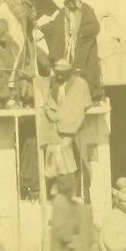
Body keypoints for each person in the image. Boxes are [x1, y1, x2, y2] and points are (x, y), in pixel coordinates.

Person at [38, 0, 103, 101]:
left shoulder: (86, 10)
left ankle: (92, 98)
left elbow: (94, 27)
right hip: (67, 52)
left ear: (78, 1)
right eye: (68, 2)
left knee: (87, 73)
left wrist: (78, 34)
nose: (70, 4)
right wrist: (42, 27)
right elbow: (55, 25)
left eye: (73, 1)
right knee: (67, 73)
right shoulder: (63, 12)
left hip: (84, 49)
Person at [41, 59, 94, 200]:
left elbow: (84, 106)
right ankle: (53, 190)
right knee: (55, 154)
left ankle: (77, 193)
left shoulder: (80, 84)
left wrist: (71, 126)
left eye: (63, 73)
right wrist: (53, 114)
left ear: (70, 72)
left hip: (74, 127)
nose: (59, 75)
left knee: (69, 156)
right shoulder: (51, 83)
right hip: (55, 127)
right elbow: (46, 101)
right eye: (57, 72)